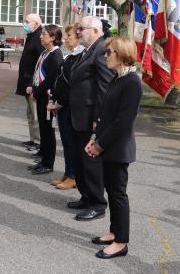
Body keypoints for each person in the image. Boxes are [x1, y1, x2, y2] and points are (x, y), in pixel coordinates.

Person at [86, 36, 142, 259]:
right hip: (108, 144)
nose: (106, 56)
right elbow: (105, 114)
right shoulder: (117, 78)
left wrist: (99, 145)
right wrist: (94, 137)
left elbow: (122, 122)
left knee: (118, 194)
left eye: (109, 52)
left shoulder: (132, 83)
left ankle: (121, 242)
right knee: (111, 190)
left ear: (122, 54)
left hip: (118, 148)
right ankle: (113, 231)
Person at [68, 15, 115, 221]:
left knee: (91, 160)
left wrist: (99, 117)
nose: (78, 31)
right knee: (80, 159)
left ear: (95, 31)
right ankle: (86, 196)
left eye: (82, 28)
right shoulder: (89, 49)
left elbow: (104, 88)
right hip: (79, 114)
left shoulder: (102, 50)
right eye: (78, 28)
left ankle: (97, 203)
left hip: (90, 116)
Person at [48, 24, 82, 190]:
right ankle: (68, 172)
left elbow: (71, 85)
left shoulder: (80, 55)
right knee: (66, 142)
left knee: (70, 142)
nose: (66, 38)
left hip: (69, 105)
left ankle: (73, 175)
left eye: (69, 35)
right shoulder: (71, 55)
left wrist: (59, 102)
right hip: (62, 104)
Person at [27, 24, 64, 175]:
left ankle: (48, 163)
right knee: (43, 128)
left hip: (48, 97)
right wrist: (33, 87)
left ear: (53, 38)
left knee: (48, 131)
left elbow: (51, 79)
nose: (41, 37)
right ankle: (43, 157)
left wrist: (36, 92)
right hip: (41, 96)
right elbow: (37, 72)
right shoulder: (45, 53)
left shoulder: (56, 54)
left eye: (44, 35)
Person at [16, 14, 44, 151]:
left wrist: (33, 84)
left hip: (33, 84)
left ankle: (39, 141)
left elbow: (40, 64)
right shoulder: (32, 36)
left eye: (27, 22)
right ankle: (33, 139)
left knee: (36, 114)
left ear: (36, 24)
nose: (24, 24)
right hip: (27, 82)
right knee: (30, 113)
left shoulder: (39, 38)